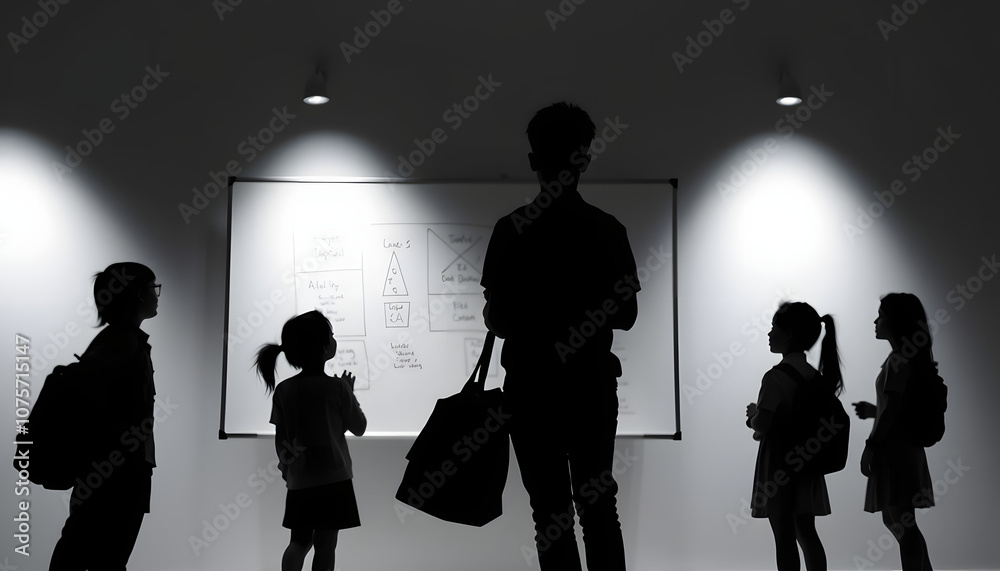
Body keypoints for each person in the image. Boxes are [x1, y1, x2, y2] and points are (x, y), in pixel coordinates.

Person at [481, 102, 639, 571]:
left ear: (533, 160)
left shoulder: (510, 231)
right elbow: (627, 315)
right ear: (584, 159)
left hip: (530, 391)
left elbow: (500, 321)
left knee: (549, 515)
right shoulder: (607, 230)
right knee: (599, 510)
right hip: (590, 387)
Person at [49, 262, 160, 570]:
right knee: (102, 556)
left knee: (84, 549)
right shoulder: (123, 343)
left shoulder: (119, 341)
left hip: (113, 468)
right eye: (153, 288)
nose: (157, 295)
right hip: (117, 471)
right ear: (138, 295)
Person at [255, 310, 367, 571]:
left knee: (298, 542)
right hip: (334, 480)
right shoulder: (337, 388)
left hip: (300, 479)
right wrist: (350, 392)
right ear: (324, 347)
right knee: (326, 544)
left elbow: (281, 438)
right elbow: (359, 427)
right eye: (331, 335)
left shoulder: (284, 390)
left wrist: (286, 470)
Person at [745, 301, 841, 571]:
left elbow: (762, 424)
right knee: (807, 532)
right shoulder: (814, 375)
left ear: (788, 334)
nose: (769, 333)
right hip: (807, 463)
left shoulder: (774, 378)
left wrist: (752, 415)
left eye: (774, 326)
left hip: (778, 465)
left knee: (783, 536)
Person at [852, 293, 935, 570]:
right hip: (902, 449)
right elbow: (895, 409)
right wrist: (874, 411)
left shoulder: (898, 360)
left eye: (882, 315)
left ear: (895, 321)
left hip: (895, 452)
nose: (876, 321)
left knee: (901, 522)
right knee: (899, 521)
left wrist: (871, 446)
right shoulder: (904, 358)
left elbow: (892, 410)